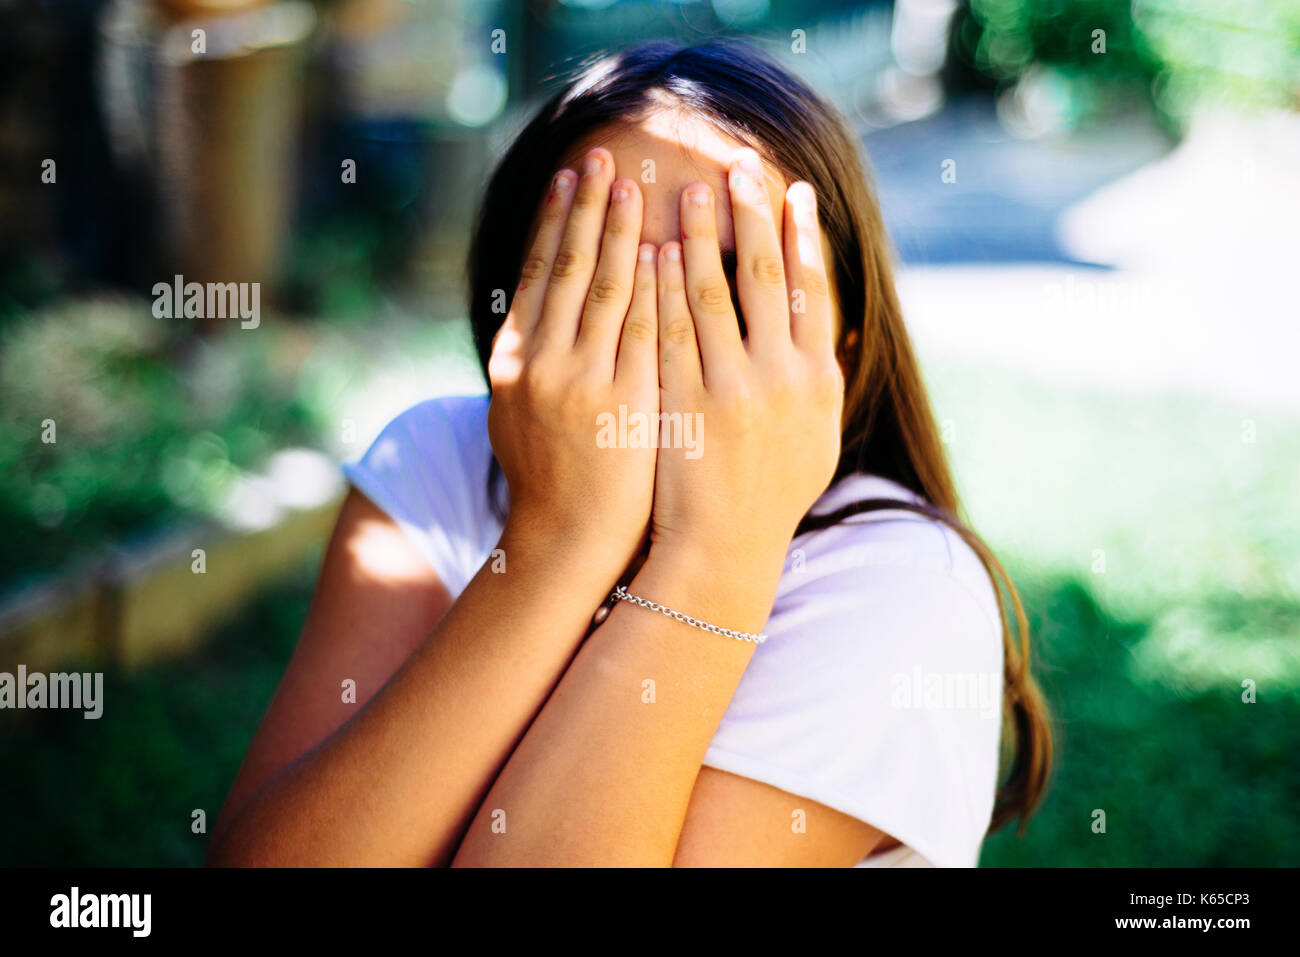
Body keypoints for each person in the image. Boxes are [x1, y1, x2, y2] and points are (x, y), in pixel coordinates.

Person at [208, 39, 1052, 867]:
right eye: (598, 268)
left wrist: (717, 556)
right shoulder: (437, 462)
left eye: (728, 283)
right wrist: (561, 540)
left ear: (844, 344)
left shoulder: (900, 590)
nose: (662, 329)